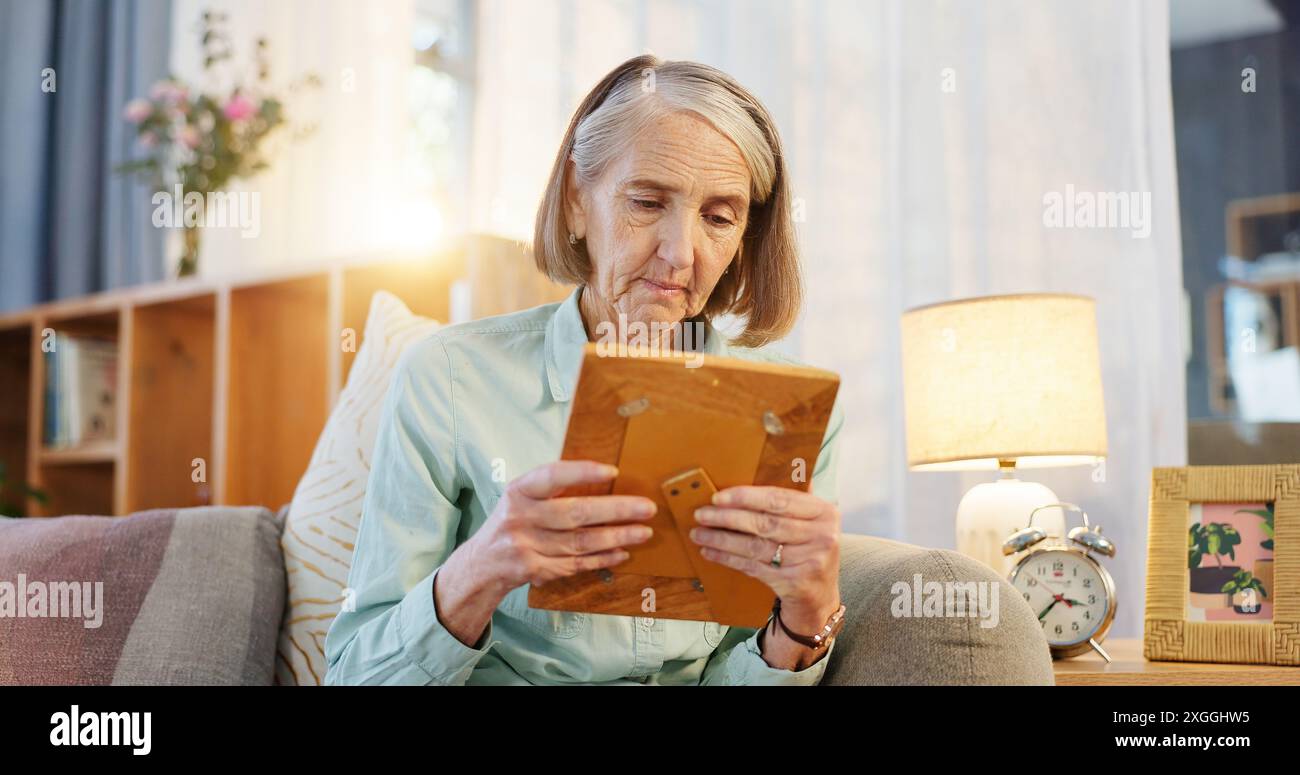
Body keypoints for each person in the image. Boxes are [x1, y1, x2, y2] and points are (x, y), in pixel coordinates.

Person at [324, 54, 845, 685]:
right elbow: (357, 675)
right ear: (576, 201)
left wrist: (805, 616)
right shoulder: (449, 378)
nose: (681, 254)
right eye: (648, 202)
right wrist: (483, 568)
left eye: (718, 217)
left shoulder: (790, 410)